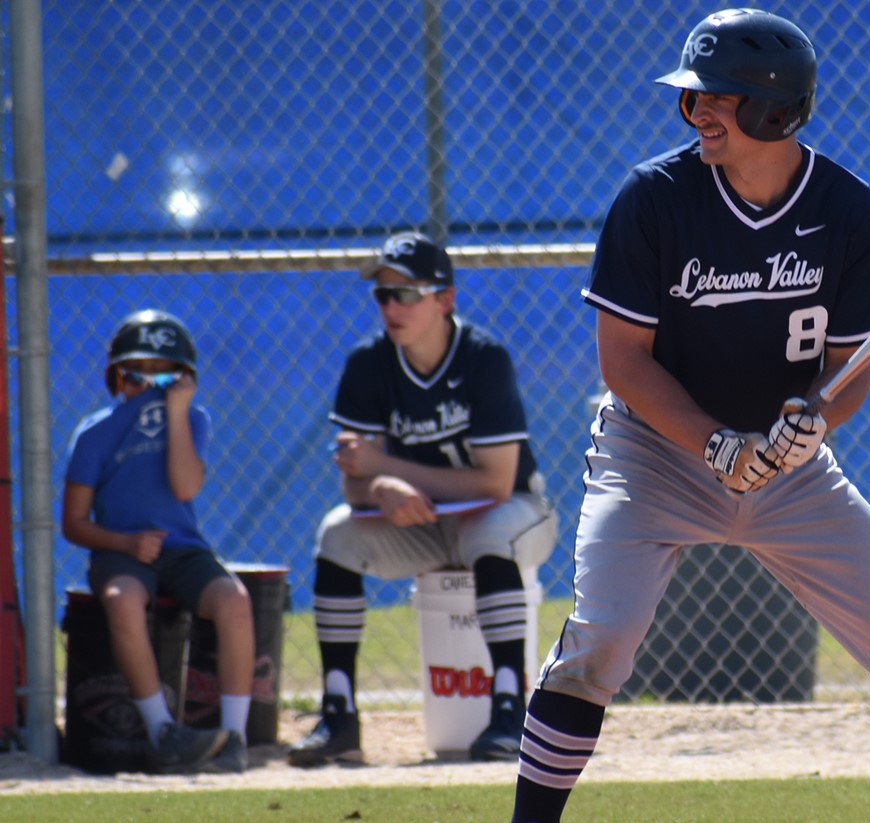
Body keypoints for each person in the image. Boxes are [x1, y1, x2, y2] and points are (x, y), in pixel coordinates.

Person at [512, 9, 870, 823]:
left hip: (789, 472)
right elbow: (622, 362)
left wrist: (815, 426)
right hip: (655, 454)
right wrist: (714, 443)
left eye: (718, 97)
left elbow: (847, 372)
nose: (696, 110)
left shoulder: (847, 212)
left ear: (774, 111)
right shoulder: (655, 198)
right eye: (691, 97)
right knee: (602, 638)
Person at [288, 232, 557, 767]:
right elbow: (354, 484)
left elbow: (496, 484)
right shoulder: (368, 363)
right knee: (337, 534)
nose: (392, 306)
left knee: (488, 530)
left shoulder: (484, 358)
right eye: (383, 294)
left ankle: (509, 712)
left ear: (445, 299)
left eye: (406, 293)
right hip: (426, 524)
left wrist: (384, 469)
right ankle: (339, 714)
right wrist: (378, 490)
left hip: (517, 514)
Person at [61, 309, 254, 774]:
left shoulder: (193, 421)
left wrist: (177, 411)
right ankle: (163, 731)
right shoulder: (94, 433)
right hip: (121, 550)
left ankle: (234, 738)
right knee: (123, 598)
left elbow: (186, 488)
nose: (148, 387)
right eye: (135, 375)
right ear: (115, 376)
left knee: (235, 600)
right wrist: (125, 546)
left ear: (185, 380)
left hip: (182, 547)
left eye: (164, 376)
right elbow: (73, 523)